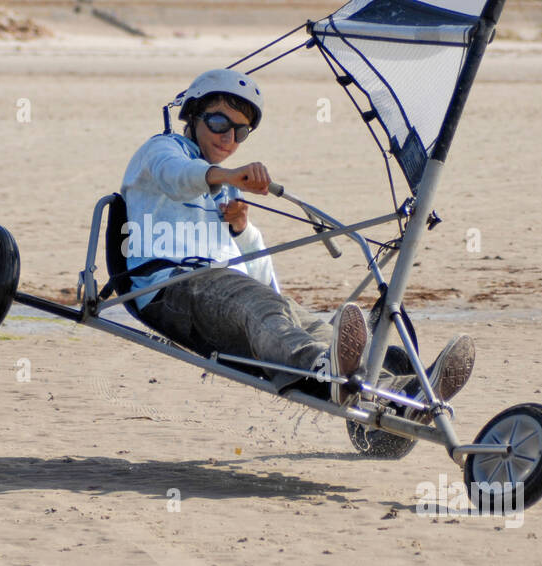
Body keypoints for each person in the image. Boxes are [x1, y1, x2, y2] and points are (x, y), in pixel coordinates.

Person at [119, 68, 473, 434]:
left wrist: (241, 231)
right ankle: (324, 371)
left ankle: (394, 391)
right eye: (220, 123)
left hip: (215, 292)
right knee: (266, 308)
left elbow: (260, 281)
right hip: (165, 290)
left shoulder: (225, 190)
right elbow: (175, 175)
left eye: (240, 132)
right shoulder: (162, 149)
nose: (229, 138)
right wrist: (224, 176)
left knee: (306, 322)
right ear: (192, 115)